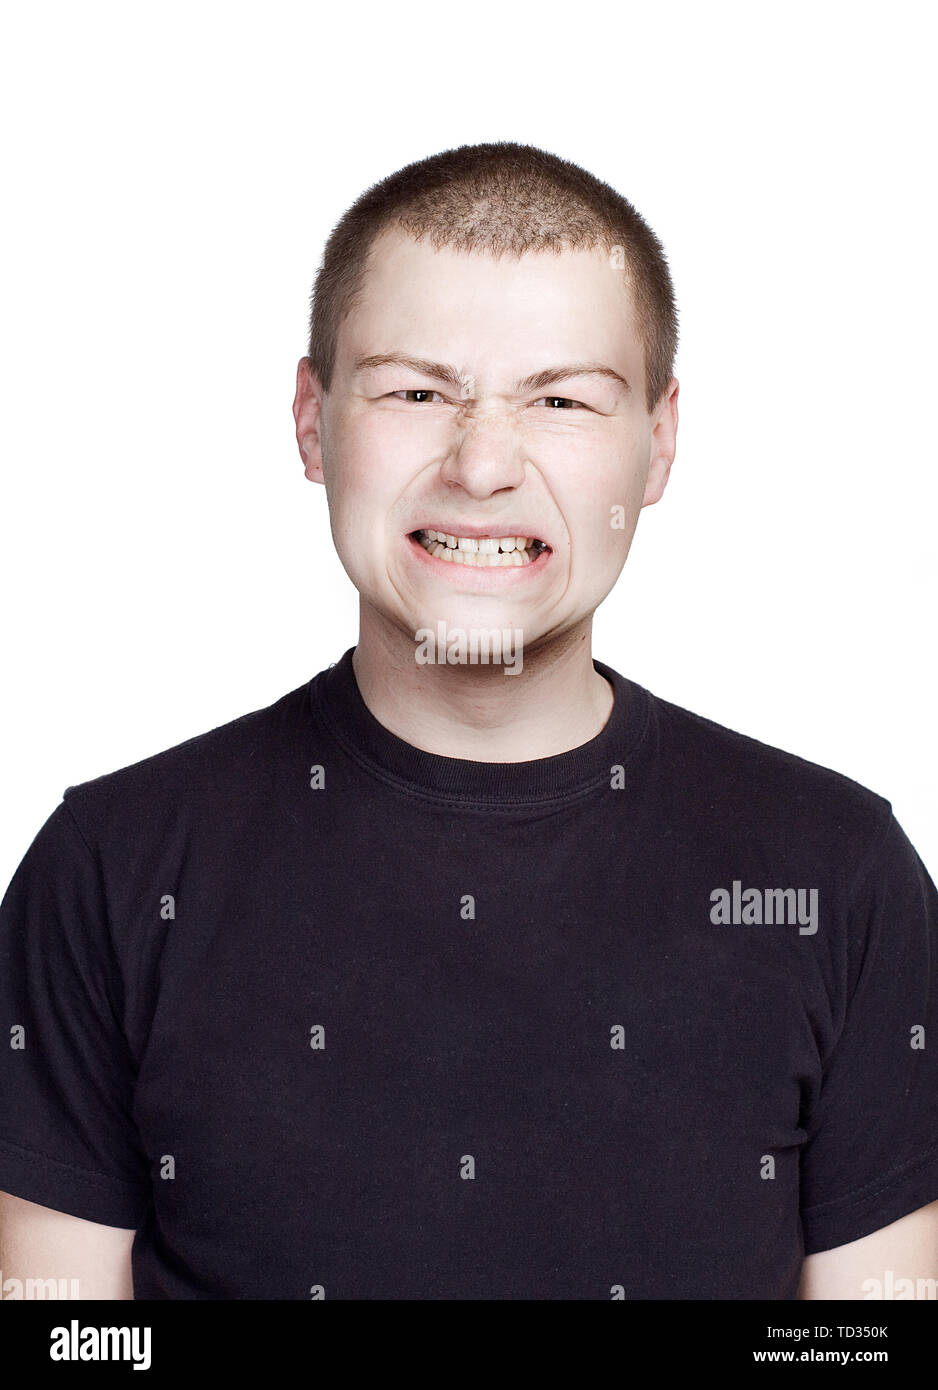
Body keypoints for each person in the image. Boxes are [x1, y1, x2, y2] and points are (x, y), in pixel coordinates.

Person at [1, 141, 936, 1301]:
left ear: (658, 440)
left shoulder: (839, 874)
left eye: (560, 400)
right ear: (311, 421)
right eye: (414, 392)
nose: (482, 464)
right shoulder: (110, 866)